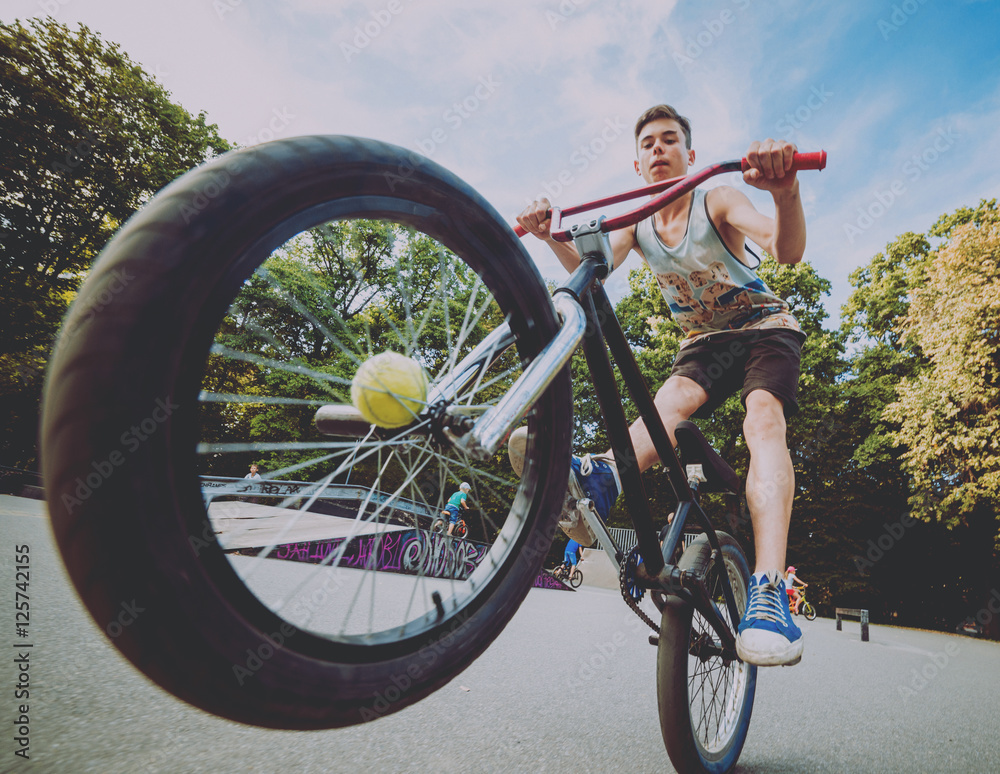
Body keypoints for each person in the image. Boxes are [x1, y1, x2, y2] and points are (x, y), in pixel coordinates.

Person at [515, 104, 809, 667]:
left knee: (763, 417)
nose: (658, 149)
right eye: (648, 143)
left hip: (763, 328)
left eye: (669, 140)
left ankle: (769, 591)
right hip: (703, 343)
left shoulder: (716, 197)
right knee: (668, 403)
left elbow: (785, 250)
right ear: (637, 162)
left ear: (689, 155)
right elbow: (590, 268)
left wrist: (786, 190)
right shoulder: (636, 221)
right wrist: (547, 233)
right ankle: (602, 478)